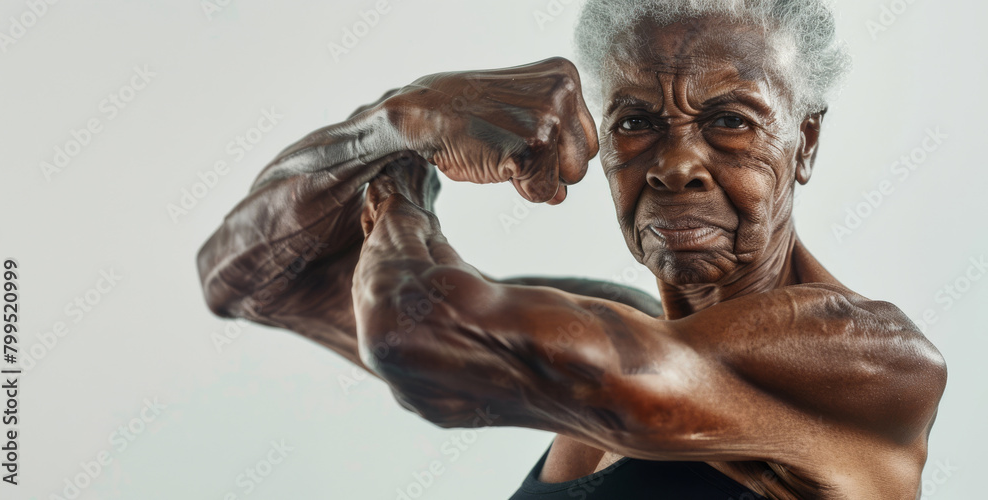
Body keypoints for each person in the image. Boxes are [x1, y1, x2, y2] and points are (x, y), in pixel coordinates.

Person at [196, 1, 947, 497]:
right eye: (635, 122)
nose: (675, 162)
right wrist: (393, 121)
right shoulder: (601, 331)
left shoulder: (870, 364)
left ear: (804, 141)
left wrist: (399, 189)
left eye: (729, 120)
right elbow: (247, 277)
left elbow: (413, 339)